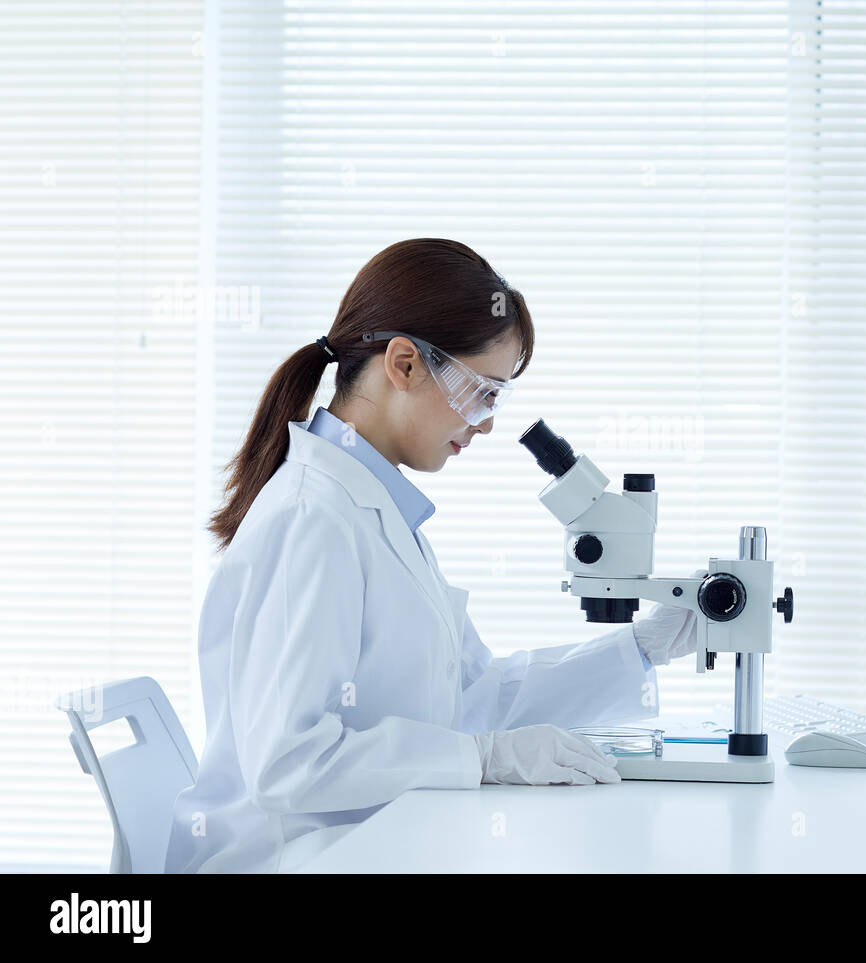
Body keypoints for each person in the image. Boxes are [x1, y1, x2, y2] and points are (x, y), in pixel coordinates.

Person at [164, 239, 698, 873]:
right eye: (483, 392)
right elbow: (290, 765)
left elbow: (473, 699)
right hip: (287, 858)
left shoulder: (377, 508)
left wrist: (640, 648)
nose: (487, 423)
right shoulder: (315, 518)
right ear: (405, 364)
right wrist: (482, 759)